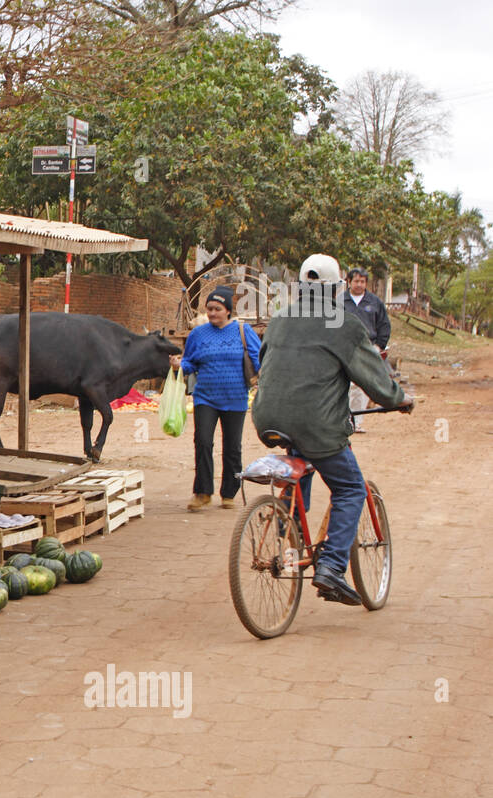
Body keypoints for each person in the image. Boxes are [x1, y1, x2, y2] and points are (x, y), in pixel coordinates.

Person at [251, 253, 412, 606]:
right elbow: (375, 379)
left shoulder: (280, 319)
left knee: (302, 465)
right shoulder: (345, 324)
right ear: (337, 289)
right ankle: (332, 568)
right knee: (351, 489)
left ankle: (286, 523)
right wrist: (399, 400)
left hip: (268, 418)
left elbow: (266, 362)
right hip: (318, 424)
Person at [170, 286, 261, 511]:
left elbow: (258, 358)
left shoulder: (243, 330)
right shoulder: (198, 334)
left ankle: (229, 493)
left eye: (217, 309)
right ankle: (202, 492)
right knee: (202, 442)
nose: (212, 313)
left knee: (232, 447)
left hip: (236, 398)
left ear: (228, 311)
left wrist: (263, 380)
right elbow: (190, 362)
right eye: (209, 309)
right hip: (205, 398)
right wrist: (179, 365)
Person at [343, 268, 391, 432]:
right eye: (356, 281)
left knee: (360, 384)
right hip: (344, 347)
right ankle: (343, 421)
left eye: (362, 281)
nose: (359, 284)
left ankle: (356, 422)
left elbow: (384, 326)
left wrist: (379, 346)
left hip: (367, 347)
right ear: (349, 282)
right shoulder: (339, 302)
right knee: (344, 384)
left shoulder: (374, 302)